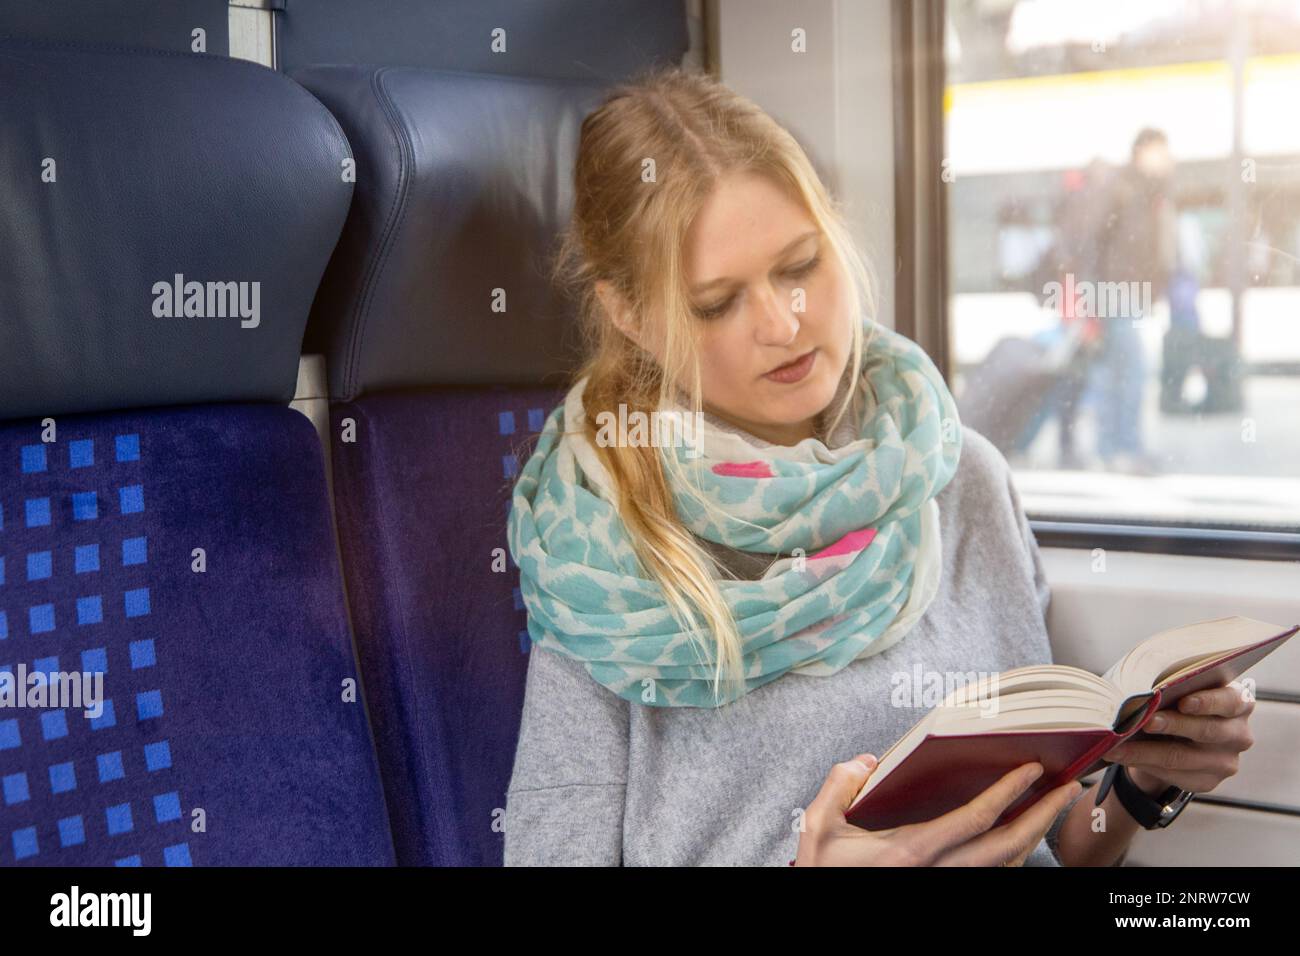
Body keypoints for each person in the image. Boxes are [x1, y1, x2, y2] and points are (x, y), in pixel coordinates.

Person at [504, 69, 1255, 866]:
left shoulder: (961, 477)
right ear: (631, 316)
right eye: (718, 303)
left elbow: (1056, 842)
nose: (782, 322)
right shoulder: (601, 553)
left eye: (799, 266)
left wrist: (1139, 786)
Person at [1088, 128, 1179, 474]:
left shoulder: (1152, 190)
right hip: (1116, 293)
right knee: (1128, 371)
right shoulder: (1123, 188)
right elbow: (1096, 242)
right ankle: (1121, 448)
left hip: (1133, 294)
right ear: (1143, 151)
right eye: (1161, 151)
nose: (1168, 158)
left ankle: (1116, 448)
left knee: (1121, 371)